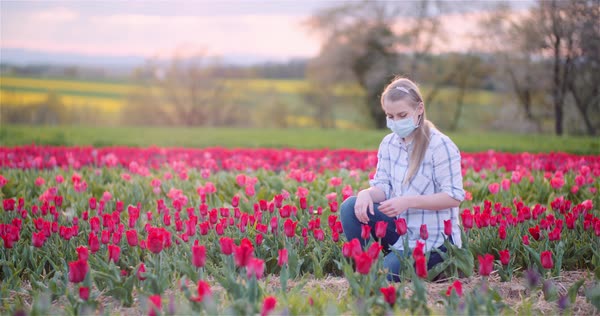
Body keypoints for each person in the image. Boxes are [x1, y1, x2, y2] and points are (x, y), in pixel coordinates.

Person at [340, 77, 465, 282]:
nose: (396, 122)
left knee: (381, 278)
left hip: (434, 239)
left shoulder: (440, 145)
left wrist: (408, 201)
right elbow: (382, 186)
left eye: (402, 115)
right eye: (390, 116)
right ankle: (364, 267)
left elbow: (454, 196)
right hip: (402, 231)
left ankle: (437, 266)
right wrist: (366, 194)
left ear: (419, 109)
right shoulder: (389, 143)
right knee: (350, 206)